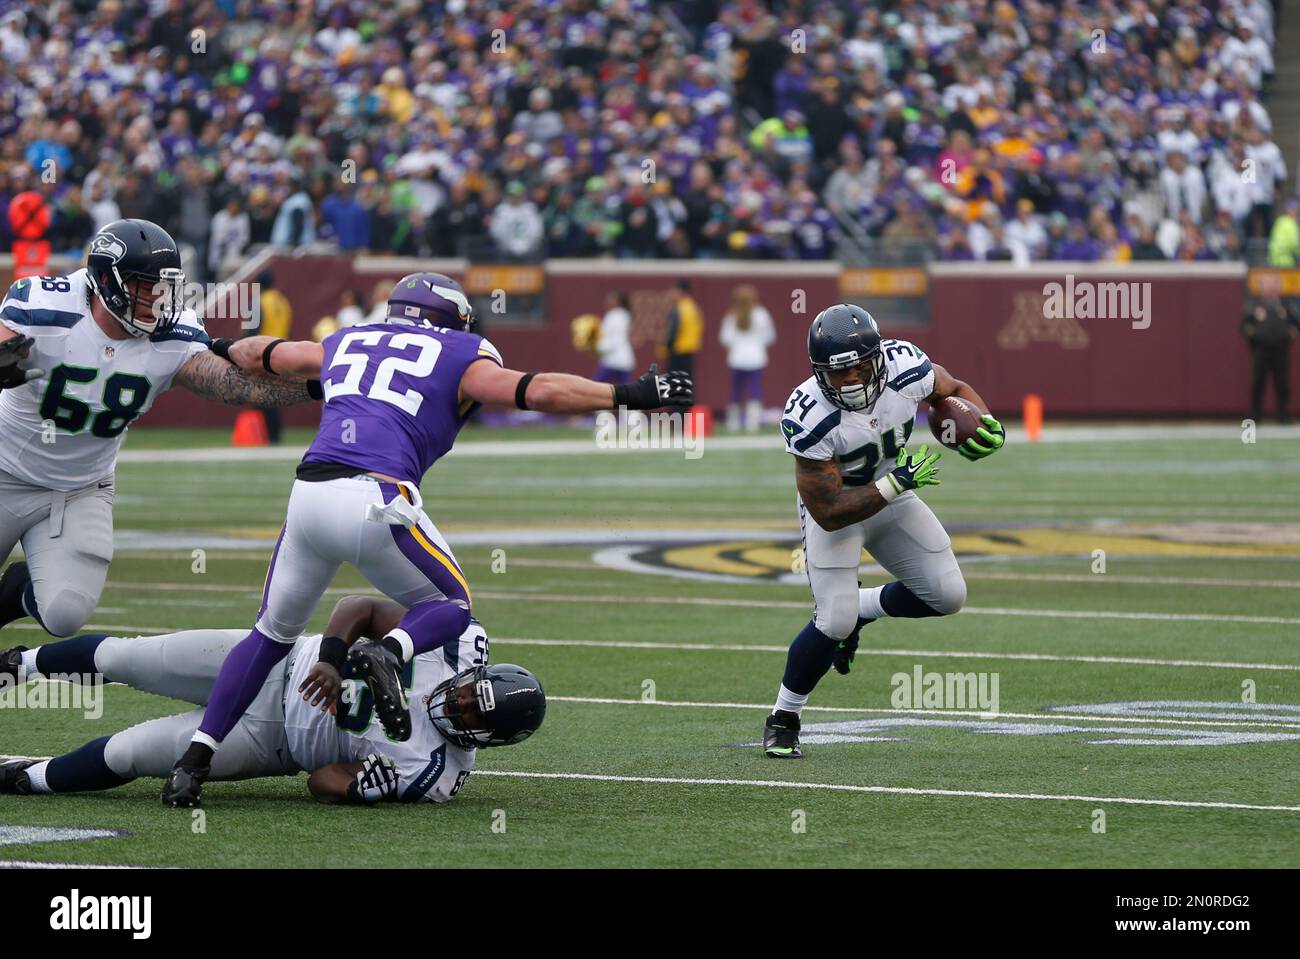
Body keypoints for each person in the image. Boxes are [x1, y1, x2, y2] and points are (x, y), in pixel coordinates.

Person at [162, 272, 693, 807]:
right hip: (377, 497)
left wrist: (214, 343)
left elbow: (264, 354)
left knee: (269, 636)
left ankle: (194, 760)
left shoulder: (348, 338)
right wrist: (630, 394)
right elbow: (542, 391)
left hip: (308, 496)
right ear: (451, 319)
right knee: (453, 606)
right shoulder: (462, 351)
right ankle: (388, 653)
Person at [0, 219, 316, 641]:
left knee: (64, 614)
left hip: (81, 487)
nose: (156, 298)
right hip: (5, 470)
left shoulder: (173, 334)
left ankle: (15, 592)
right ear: (107, 280)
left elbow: (234, 385)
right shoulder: (43, 306)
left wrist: (320, 385)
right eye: (143, 286)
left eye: (163, 287)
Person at [0, 595, 544, 805]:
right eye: (473, 695)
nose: (460, 706)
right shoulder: (453, 645)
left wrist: (361, 789)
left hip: (273, 741)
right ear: (478, 674)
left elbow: (321, 781)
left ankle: (32, 775)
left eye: (472, 716)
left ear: (486, 742)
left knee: (131, 753)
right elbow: (360, 606)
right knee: (125, 658)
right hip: (273, 660)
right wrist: (333, 657)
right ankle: (18, 666)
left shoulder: (434, 773)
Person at [763, 304, 1005, 759]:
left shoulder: (906, 367)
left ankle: (864, 607)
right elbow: (830, 511)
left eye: (860, 366)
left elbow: (952, 390)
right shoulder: (809, 416)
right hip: (843, 510)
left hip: (895, 495)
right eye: (839, 373)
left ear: (878, 357)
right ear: (819, 374)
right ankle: (784, 718)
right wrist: (896, 483)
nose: (852, 378)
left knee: (948, 595)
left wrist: (984, 421)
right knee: (832, 620)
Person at [1241, 273, 1299, 424]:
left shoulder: (1285, 305)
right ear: (1263, 287)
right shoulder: (1255, 305)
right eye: (1269, 285)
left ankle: (1283, 414)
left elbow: (1295, 324)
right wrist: (1255, 336)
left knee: (1282, 383)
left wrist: (1289, 334)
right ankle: (1255, 415)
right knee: (1258, 383)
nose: (1272, 288)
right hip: (1261, 350)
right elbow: (1245, 325)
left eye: (1274, 285)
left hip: (1281, 350)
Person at [718, 284, 775, 432]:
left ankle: (733, 424)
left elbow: (725, 339)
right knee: (755, 391)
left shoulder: (731, 315)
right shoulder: (762, 314)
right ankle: (753, 425)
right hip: (756, 358)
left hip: (737, 359)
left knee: (735, 392)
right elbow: (770, 337)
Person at [255, 270, 293, 444]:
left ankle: (265, 435)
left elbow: (251, 330)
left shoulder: (259, 302)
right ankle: (275, 435)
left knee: (261, 397)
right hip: (282, 352)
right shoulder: (283, 301)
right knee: (274, 397)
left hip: (262, 354)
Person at [664, 279, 703, 382]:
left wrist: (667, 347)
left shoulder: (679, 308)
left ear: (681, 291)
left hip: (678, 351)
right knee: (686, 383)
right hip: (689, 351)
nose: (671, 293)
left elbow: (673, 332)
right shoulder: (693, 307)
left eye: (674, 290)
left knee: (674, 384)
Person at [595, 291, 634, 385]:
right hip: (620, 359)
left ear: (619, 301)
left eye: (612, 299)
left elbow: (615, 339)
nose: (609, 301)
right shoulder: (621, 315)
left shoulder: (616, 316)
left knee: (596, 384)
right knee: (625, 388)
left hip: (614, 358)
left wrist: (599, 348)